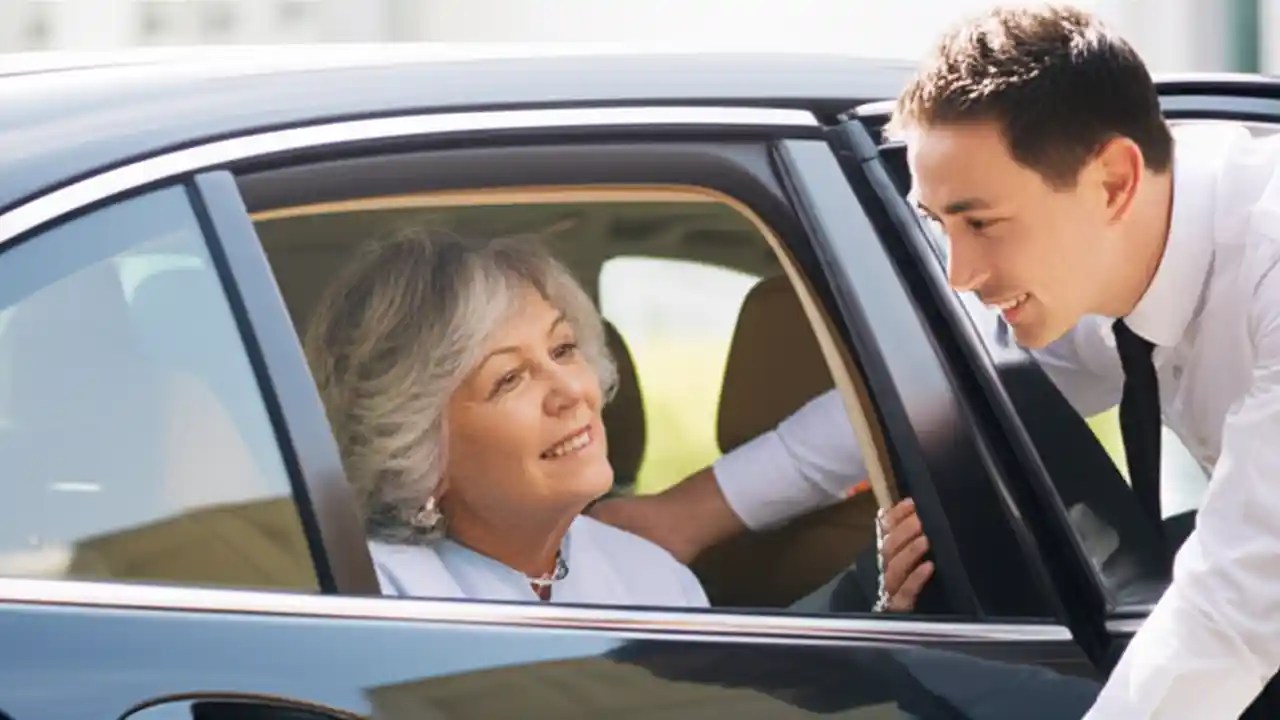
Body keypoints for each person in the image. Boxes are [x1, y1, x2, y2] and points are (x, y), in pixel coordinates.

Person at [594, 5, 1280, 717]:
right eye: (939, 224)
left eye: (981, 222)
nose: (960, 274)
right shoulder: (1103, 272)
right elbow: (929, 401)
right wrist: (689, 514)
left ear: (1112, 182)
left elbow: (1233, 613)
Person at [304, 228, 706, 607]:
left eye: (563, 349)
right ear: (417, 444)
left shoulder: (656, 583)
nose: (569, 391)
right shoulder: (373, 598)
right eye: (509, 378)